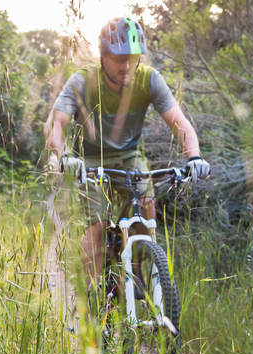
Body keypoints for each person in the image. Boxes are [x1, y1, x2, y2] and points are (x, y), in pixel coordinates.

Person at [43, 17, 210, 286]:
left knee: (146, 208)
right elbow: (55, 124)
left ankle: (135, 272)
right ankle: (94, 298)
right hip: (89, 161)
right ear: (103, 57)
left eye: (134, 58)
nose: (128, 66)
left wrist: (194, 157)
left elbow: (180, 123)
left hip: (130, 157)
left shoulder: (149, 80)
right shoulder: (83, 81)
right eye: (120, 59)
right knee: (95, 228)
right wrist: (63, 157)